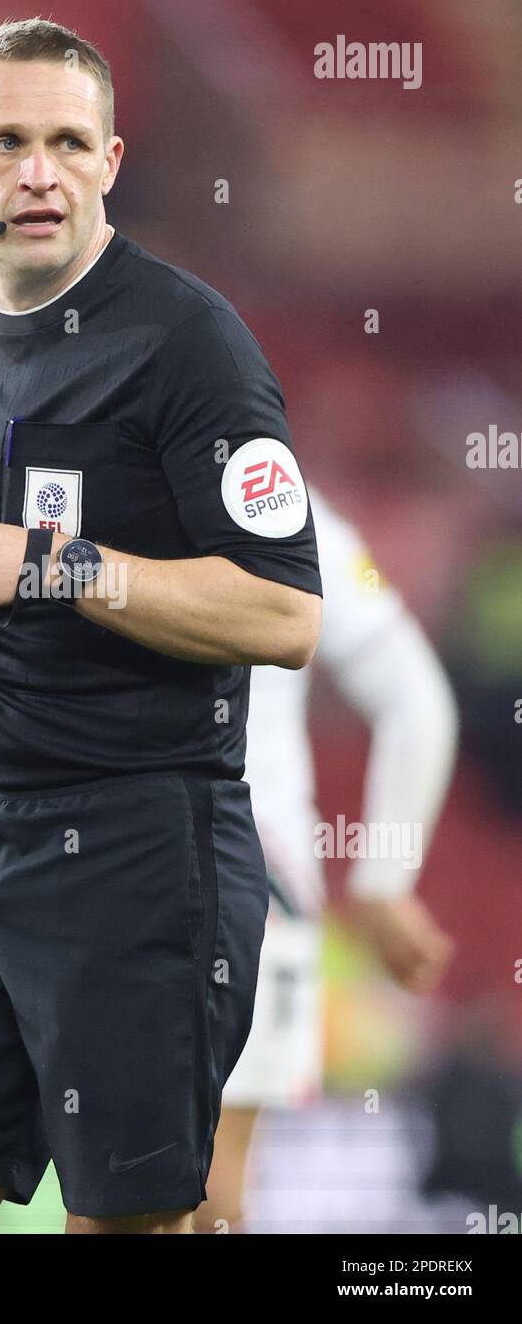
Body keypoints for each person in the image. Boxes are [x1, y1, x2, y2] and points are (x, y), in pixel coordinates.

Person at [0, 17, 322, 1235]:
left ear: (112, 162)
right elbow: (0, 587)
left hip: (134, 857)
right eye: (6, 140)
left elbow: (284, 610)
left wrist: (48, 566)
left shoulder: (189, 343)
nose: (38, 170)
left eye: (68, 141)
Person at [192, 486, 458, 1234]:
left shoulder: (64, 497)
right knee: (205, 1189)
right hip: (251, 876)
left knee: (182, 1185)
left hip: (180, 877)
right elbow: (415, 695)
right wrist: (381, 885)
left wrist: (380, 882)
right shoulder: (289, 508)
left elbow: (415, 701)